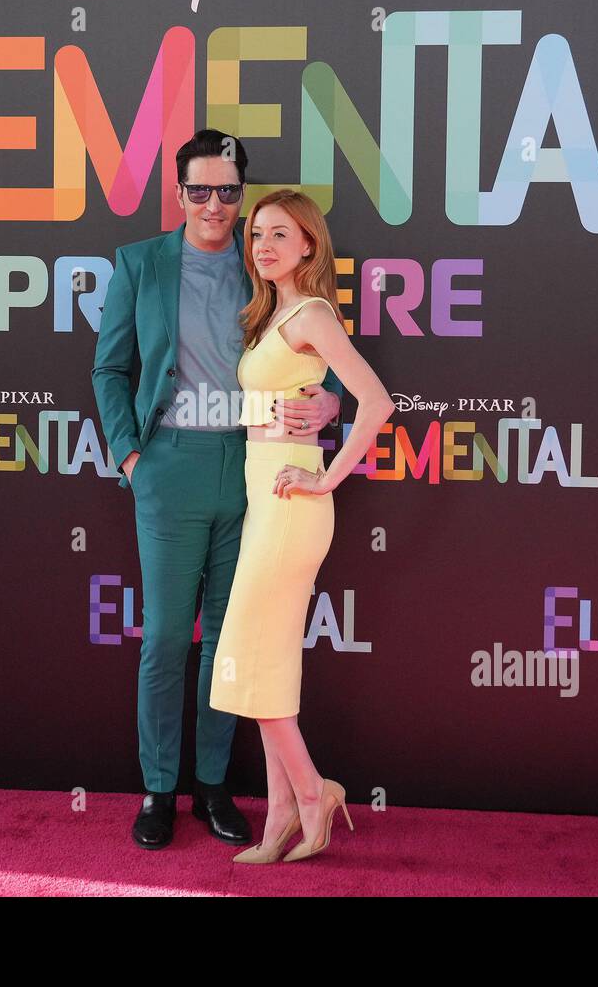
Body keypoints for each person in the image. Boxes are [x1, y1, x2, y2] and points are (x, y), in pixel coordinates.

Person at [91, 131, 345, 850]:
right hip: (168, 465)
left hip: (249, 469)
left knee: (229, 643)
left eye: (228, 192)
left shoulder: (262, 259)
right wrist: (131, 457)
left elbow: (308, 350)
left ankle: (213, 788)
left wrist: (327, 404)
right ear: (178, 194)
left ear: (242, 196)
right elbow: (109, 369)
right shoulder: (140, 263)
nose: (213, 204)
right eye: (198, 190)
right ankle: (157, 791)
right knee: (168, 637)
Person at [210, 188, 394, 864]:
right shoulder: (273, 315)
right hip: (266, 492)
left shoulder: (312, 312)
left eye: (280, 235)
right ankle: (285, 808)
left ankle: (312, 794)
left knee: (255, 654)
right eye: (257, 234)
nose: (263, 246)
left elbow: (376, 401)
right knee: (267, 660)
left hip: (292, 502)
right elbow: (281, 405)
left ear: (309, 245)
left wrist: (325, 476)